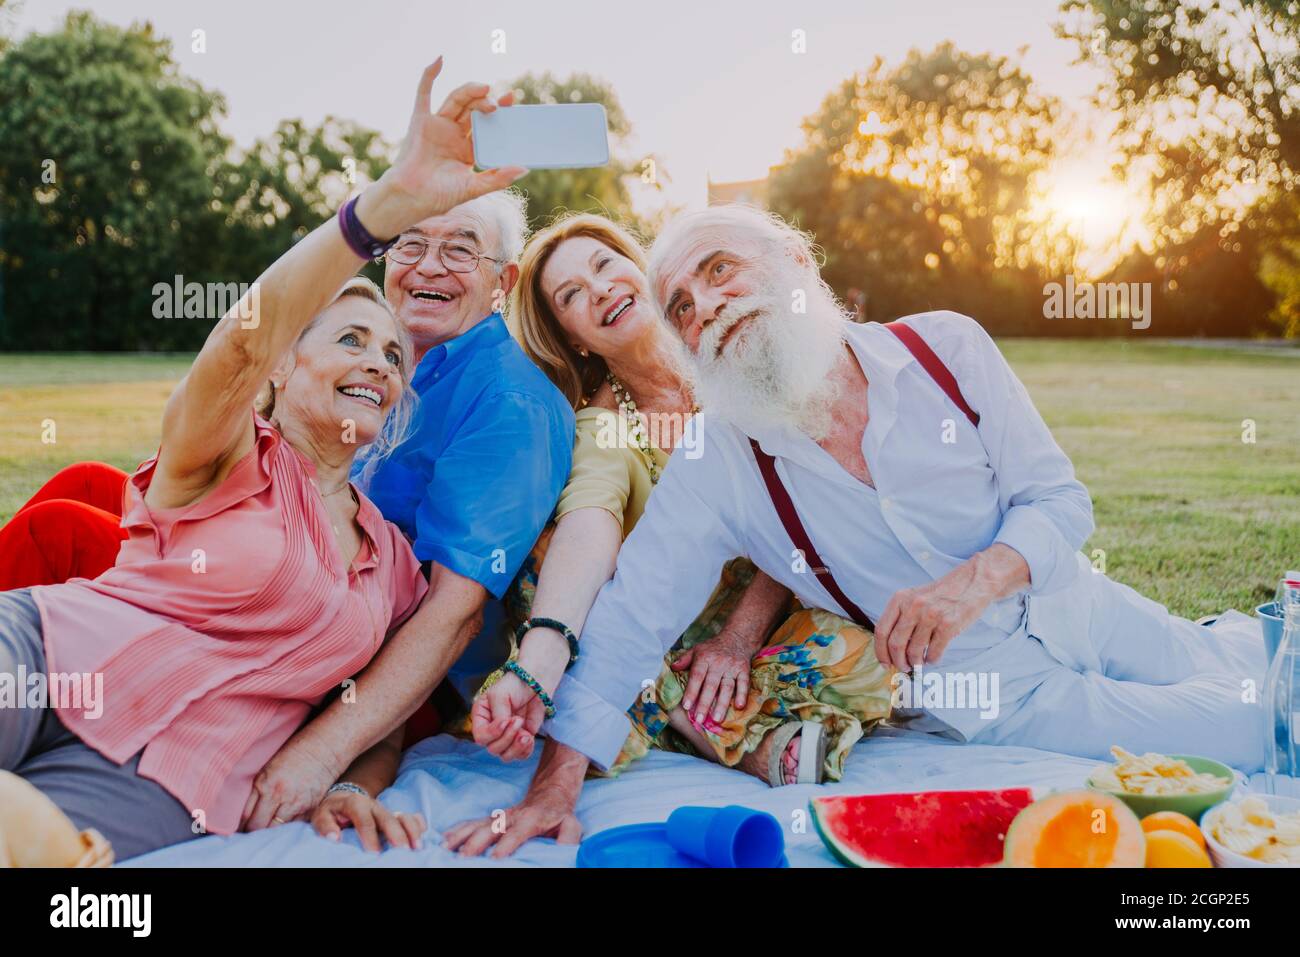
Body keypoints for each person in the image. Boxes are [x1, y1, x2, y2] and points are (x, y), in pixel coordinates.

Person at [529, 203, 1265, 822]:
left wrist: (973, 583)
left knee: (1250, 665)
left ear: (792, 258)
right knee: (1249, 727)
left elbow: (1058, 501)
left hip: (1083, 601)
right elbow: (630, 620)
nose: (708, 305)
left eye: (719, 269)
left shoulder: (945, 347)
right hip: (1004, 696)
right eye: (682, 306)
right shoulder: (718, 461)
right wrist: (553, 788)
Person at [0, 59, 525, 862]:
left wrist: (353, 779)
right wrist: (382, 210)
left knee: (63, 885)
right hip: (47, 655)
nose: (379, 361)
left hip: (172, 783)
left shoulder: (391, 565)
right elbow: (238, 345)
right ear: (283, 366)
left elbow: (392, 709)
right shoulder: (228, 454)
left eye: (393, 355)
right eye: (350, 338)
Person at [438, 213, 894, 858]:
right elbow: (590, 518)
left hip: (767, 605)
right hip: (656, 625)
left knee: (873, 651)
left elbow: (803, 507)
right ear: (575, 340)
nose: (596, 290)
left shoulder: (743, 354)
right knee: (557, 579)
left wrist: (739, 638)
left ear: (642, 270)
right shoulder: (604, 427)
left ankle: (676, 715)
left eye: (603, 265)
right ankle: (730, 737)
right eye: (570, 296)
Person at [240, 111, 575, 844]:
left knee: (68, 523)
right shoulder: (380, 362)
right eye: (411, 242)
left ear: (503, 281)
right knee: (81, 508)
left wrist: (325, 755)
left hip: (363, 656)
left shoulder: (510, 401)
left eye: (460, 249)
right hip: (273, 586)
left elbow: (453, 613)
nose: (427, 265)